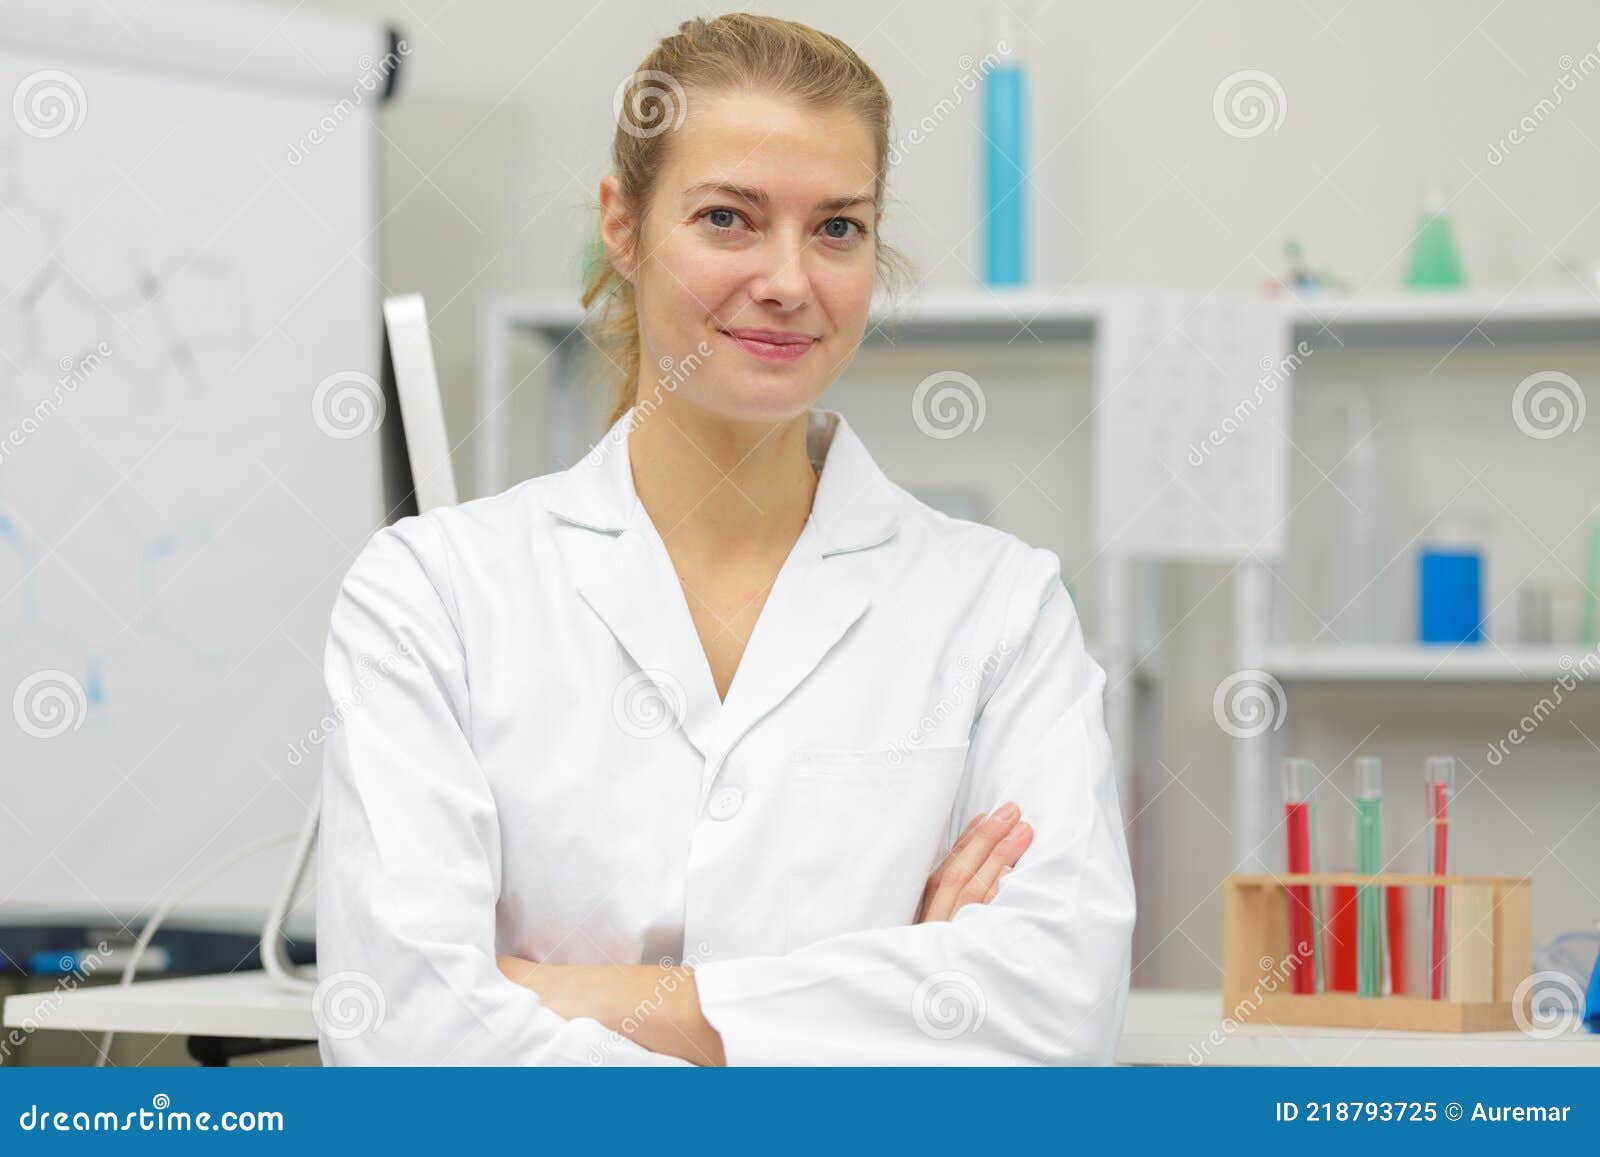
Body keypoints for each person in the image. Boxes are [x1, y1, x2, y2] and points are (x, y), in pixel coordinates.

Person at [316, 12, 1134, 1067]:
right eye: (728, 218)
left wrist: (560, 993)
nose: (789, 280)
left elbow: (1057, 1011)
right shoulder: (432, 594)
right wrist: (879, 1005)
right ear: (622, 225)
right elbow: (403, 1038)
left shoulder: (1002, 610)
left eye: (836, 227)